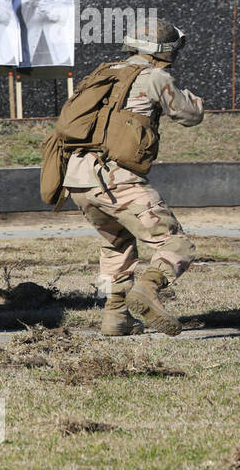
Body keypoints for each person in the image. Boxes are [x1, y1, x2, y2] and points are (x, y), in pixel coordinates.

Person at [61, 18, 204, 336]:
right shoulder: (155, 77)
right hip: (116, 179)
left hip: (79, 178)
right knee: (176, 243)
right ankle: (148, 290)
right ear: (163, 52)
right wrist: (195, 104)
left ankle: (116, 318)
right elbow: (189, 116)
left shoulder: (105, 72)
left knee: (117, 244)